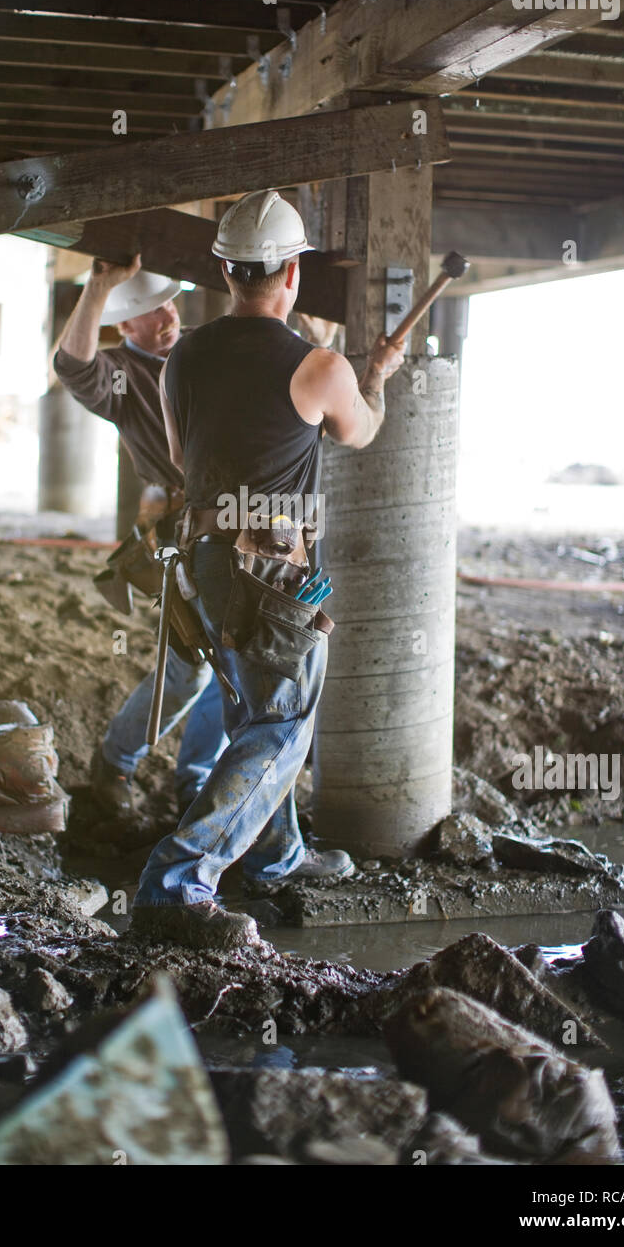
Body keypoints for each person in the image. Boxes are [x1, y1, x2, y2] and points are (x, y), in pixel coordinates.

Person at [131, 190, 406, 947]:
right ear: (294, 273)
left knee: (258, 713)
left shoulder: (182, 355)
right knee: (282, 725)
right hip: (277, 573)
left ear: (226, 269)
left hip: (207, 562)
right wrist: (372, 373)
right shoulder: (318, 367)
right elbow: (362, 432)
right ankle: (174, 882)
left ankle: (279, 856)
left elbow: (186, 459)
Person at [53, 257, 228, 823]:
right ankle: (115, 763)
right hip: (183, 536)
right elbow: (71, 366)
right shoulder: (121, 377)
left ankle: (195, 781)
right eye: (151, 314)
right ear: (125, 326)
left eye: (168, 304)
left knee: (229, 666)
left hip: (238, 529)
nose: (168, 317)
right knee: (189, 669)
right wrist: (99, 287)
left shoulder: (206, 344)